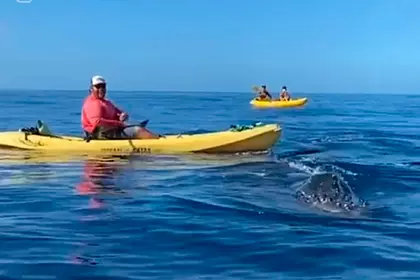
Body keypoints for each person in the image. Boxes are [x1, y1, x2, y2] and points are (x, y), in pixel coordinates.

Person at [81, 75, 160, 140]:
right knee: (137, 130)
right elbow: (97, 122)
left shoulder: (106, 102)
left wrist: (123, 115)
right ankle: (158, 143)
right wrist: (119, 124)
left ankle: (156, 138)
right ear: (91, 88)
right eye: (97, 86)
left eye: (103, 86)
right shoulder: (92, 103)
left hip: (111, 131)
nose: (101, 89)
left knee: (139, 129)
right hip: (98, 134)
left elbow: (120, 113)